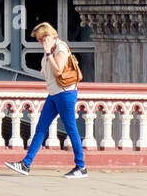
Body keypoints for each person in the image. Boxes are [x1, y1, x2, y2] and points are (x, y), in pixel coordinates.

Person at [5, 22, 87, 178]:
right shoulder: (51, 49)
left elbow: (58, 71)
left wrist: (48, 54)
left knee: (71, 129)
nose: (39, 42)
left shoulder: (60, 48)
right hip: (54, 94)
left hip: (65, 94)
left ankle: (81, 167)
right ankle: (26, 164)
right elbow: (47, 73)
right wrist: (47, 55)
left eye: (40, 39)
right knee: (41, 128)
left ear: (47, 37)